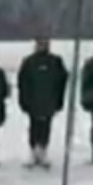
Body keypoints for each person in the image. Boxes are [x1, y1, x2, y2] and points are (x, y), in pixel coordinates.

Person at [17, 36, 69, 169]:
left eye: (45, 43)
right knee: (34, 126)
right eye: (41, 43)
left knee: (46, 126)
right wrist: (24, 100)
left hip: (49, 100)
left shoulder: (55, 61)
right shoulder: (29, 62)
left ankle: (43, 150)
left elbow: (62, 81)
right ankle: (34, 151)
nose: (43, 46)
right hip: (33, 101)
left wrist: (59, 99)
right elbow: (22, 82)